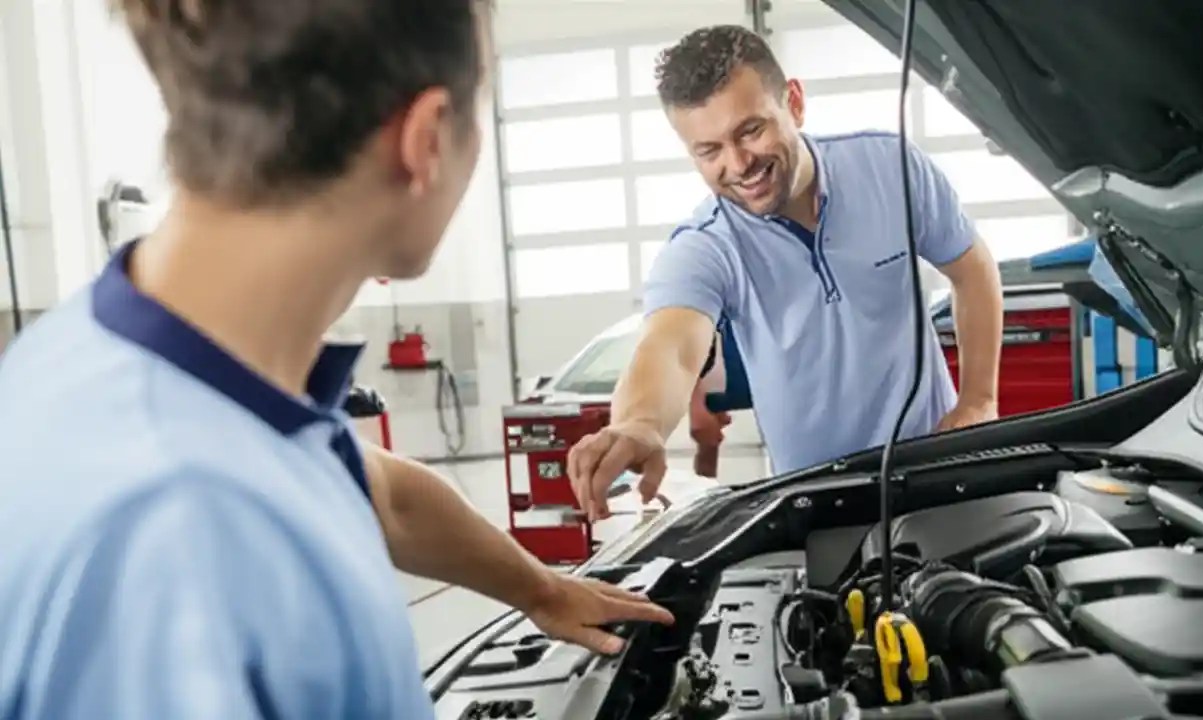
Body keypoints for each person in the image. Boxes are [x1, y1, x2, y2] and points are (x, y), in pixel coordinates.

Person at [0, 1, 673, 718]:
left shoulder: (134, 362)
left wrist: (542, 588)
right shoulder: (175, 540)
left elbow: (380, 494)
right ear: (427, 140)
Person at [569, 25, 1004, 521]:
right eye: (708, 151)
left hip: (935, 470)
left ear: (793, 103)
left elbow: (972, 270)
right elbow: (670, 345)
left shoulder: (893, 170)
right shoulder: (707, 244)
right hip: (815, 506)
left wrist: (977, 402)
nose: (738, 164)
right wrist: (639, 424)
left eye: (750, 131)